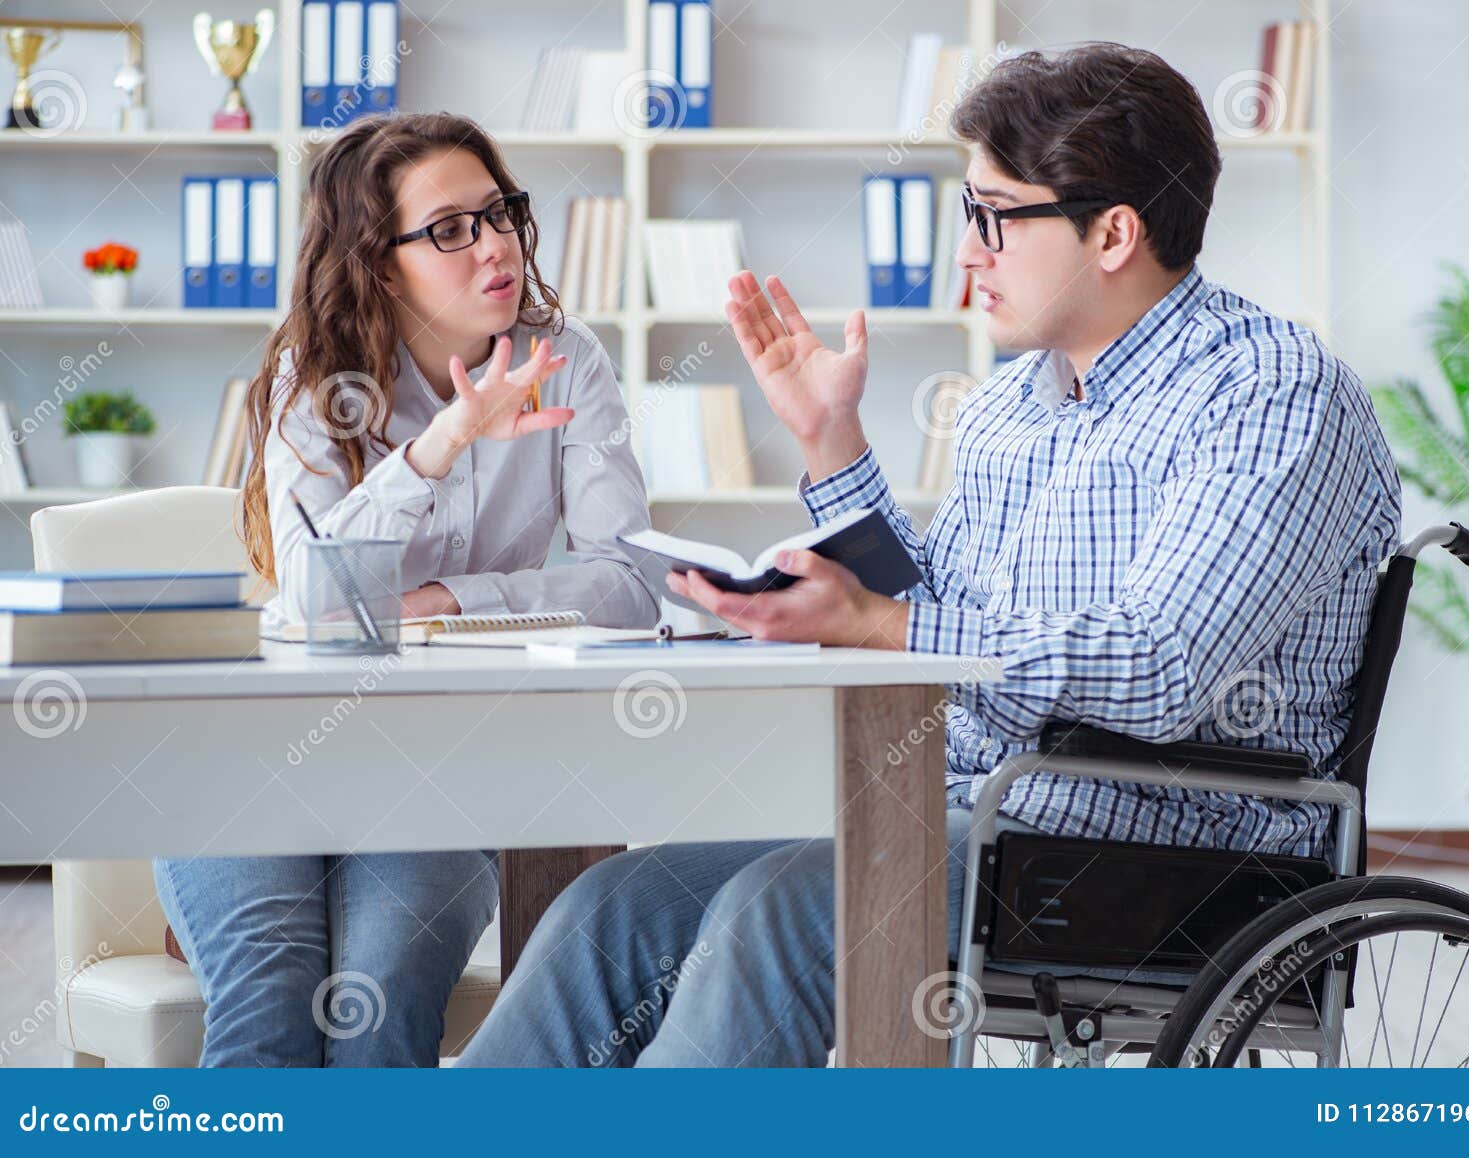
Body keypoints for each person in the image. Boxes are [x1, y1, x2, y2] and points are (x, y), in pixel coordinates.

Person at [459, 43, 1401, 1067]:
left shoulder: (1269, 392)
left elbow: (1163, 668)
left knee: (776, 916)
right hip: (979, 812)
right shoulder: (1011, 403)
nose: (968, 252)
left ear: (1115, 232)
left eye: (995, 217)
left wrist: (878, 621)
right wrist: (831, 441)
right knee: (615, 908)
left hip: (1178, 850)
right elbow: (939, 603)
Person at [155, 112, 657, 1067]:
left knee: (381, 999)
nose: (496, 245)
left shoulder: (566, 358)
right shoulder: (319, 380)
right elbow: (314, 599)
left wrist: (447, 601)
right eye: (451, 229)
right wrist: (440, 447)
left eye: (499, 212)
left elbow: (630, 585)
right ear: (379, 264)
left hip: (439, 771)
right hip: (251, 766)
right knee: (272, 993)